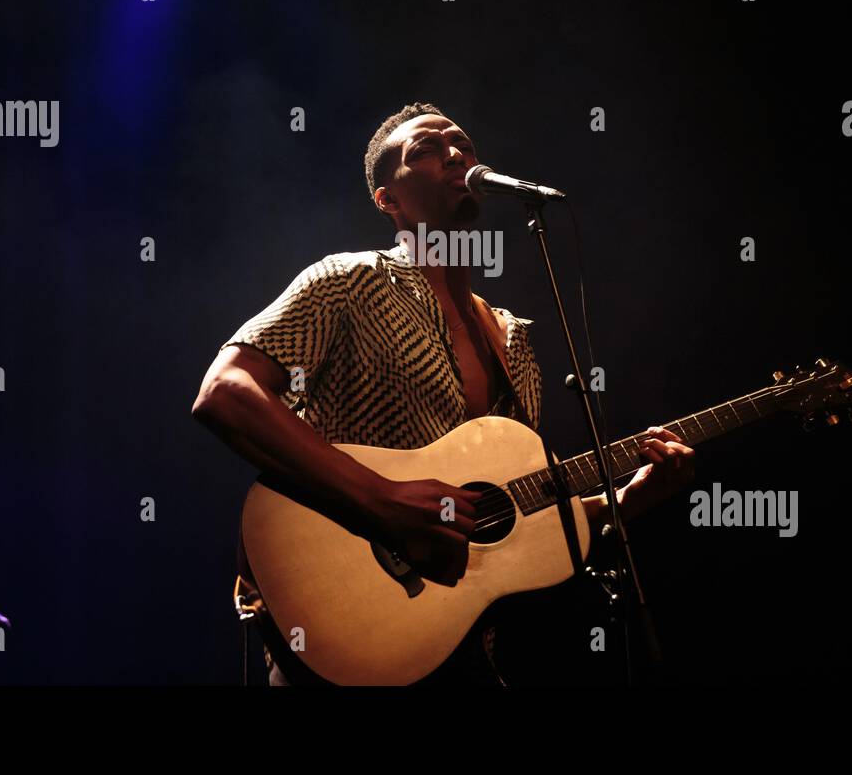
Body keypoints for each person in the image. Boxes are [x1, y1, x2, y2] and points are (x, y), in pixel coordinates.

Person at [191, 102, 696, 685]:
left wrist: (622, 503)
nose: (455, 154)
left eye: (463, 145)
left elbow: (505, 520)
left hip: (456, 643)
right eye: (426, 150)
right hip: (341, 624)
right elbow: (225, 392)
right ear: (389, 200)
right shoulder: (348, 282)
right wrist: (381, 499)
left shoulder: (511, 338)